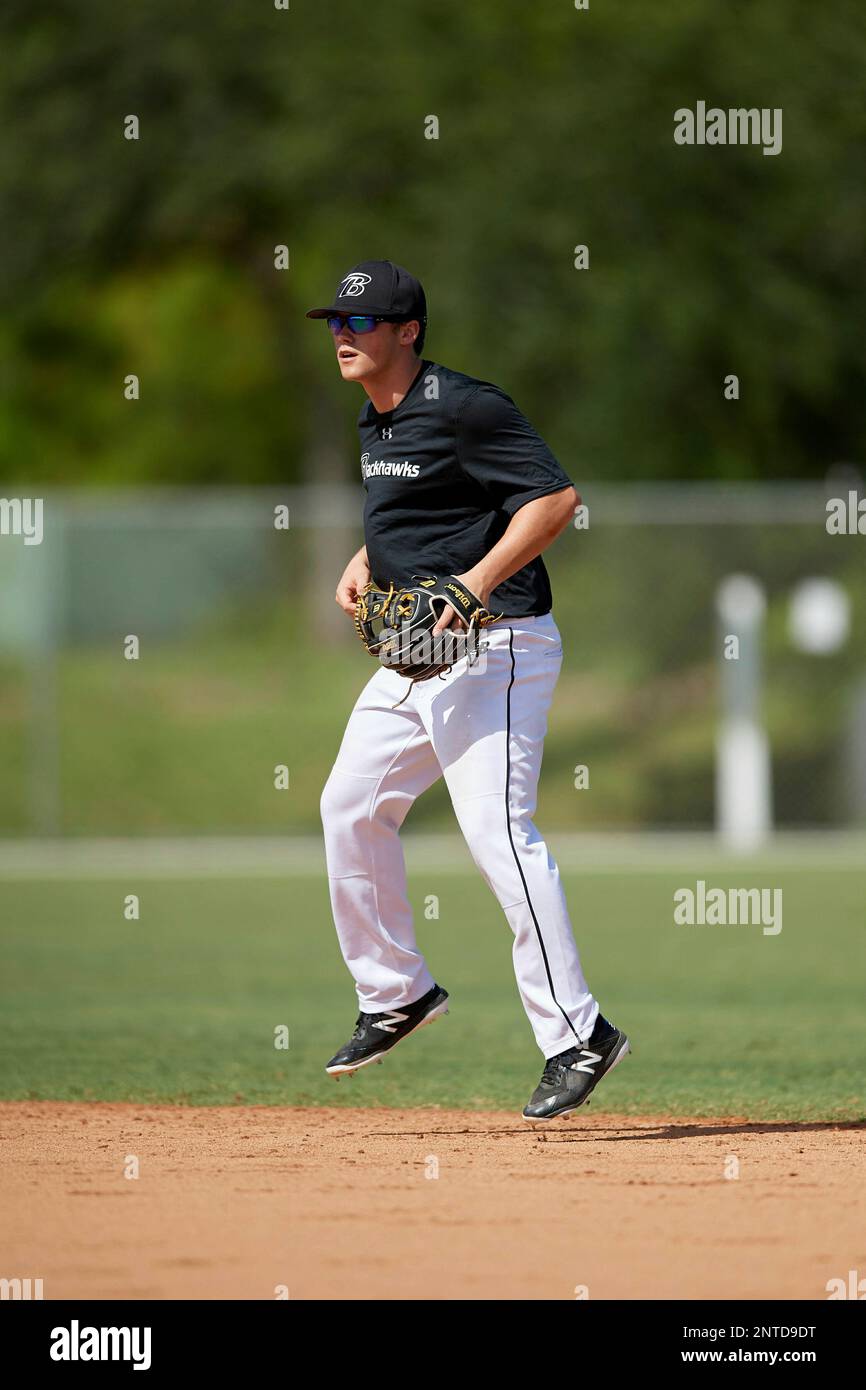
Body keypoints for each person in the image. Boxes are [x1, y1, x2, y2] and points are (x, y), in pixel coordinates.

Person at [308, 260, 630, 1120]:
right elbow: (430, 516)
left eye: (361, 322)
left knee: (496, 831)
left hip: (499, 644)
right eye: (336, 321)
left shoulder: (466, 404)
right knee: (349, 806)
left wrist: (473, 585)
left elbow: (554, 501)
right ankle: (396, 991)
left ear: (407, 330)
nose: (344, 335)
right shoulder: (374, 421)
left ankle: (579, 1035)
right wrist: (365, 559)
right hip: (418, 660)